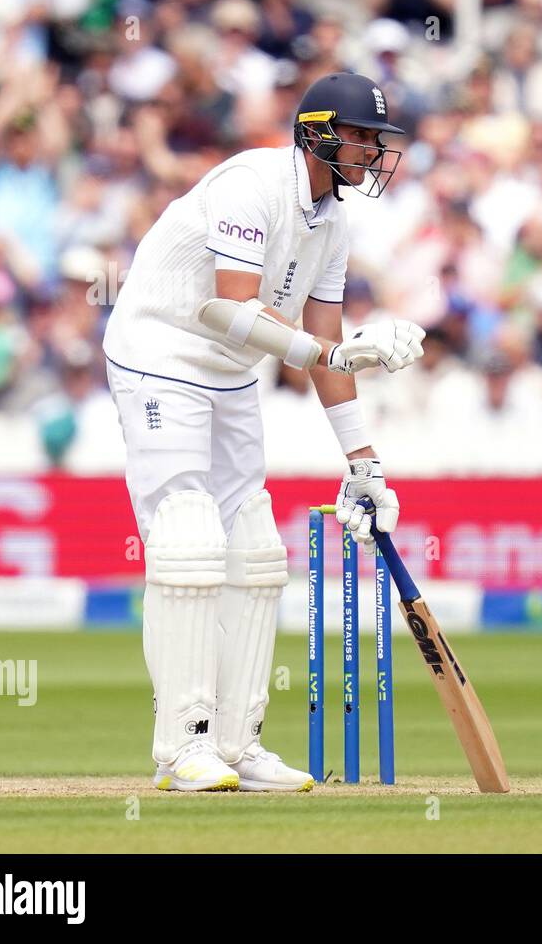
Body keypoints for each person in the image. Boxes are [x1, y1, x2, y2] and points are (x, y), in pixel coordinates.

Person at [102, 72, 424, 792]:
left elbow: (324, 340)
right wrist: (330, 353)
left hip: (231, 373)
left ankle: (236, 744)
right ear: (317, 131)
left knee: (253, 548)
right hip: (161, 352)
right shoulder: (252, 183)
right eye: (362, 135)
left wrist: (363, 459)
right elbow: (228, 307)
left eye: (378, 139)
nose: (373, 151)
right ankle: (182, 747)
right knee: (189, 538)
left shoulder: (333, 223)